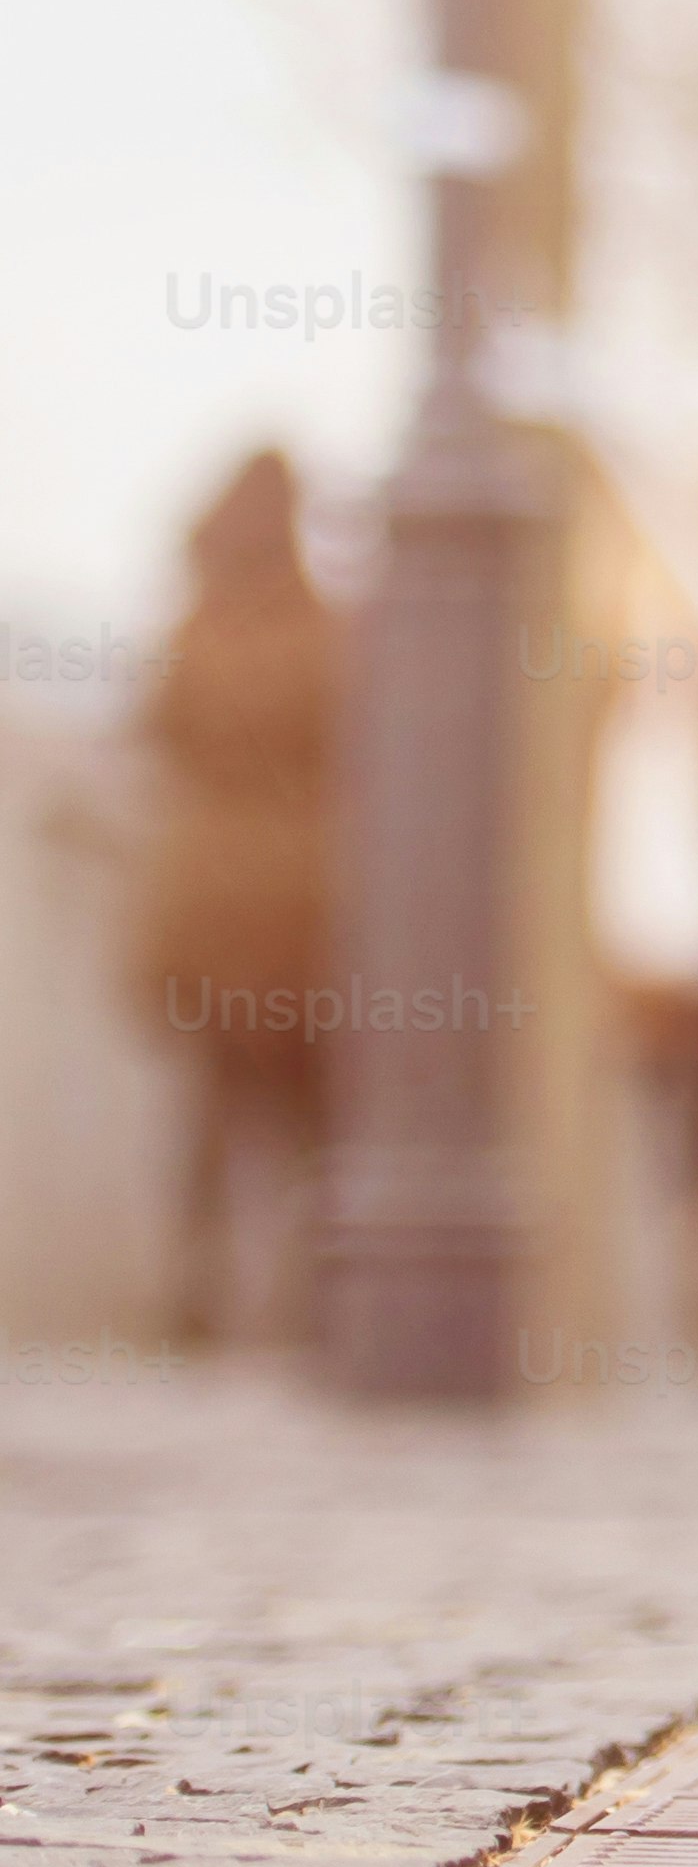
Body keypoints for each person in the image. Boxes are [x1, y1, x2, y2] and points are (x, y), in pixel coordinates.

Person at [129, 447, 333, 1349]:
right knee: (305, 1106)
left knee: (211, 1102)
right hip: (299, 896)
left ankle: (197, 1289)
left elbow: (154, 730)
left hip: (204, 890)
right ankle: (310, 1295)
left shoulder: (194, 628)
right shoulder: (327, 630)